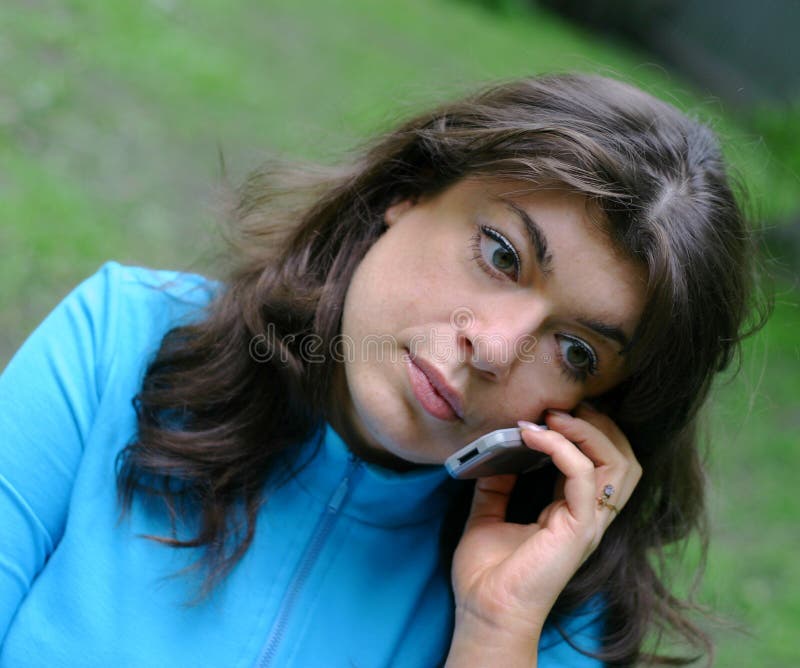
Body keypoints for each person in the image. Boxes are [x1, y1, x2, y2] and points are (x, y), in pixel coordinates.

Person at [0, 73, 767, 667]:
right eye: (501, 255)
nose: (495, 348)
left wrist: (496, 631)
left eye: (576, 352)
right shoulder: (121, 341)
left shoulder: (556, 594)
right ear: (410, 190)